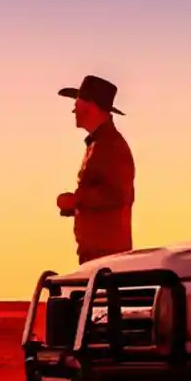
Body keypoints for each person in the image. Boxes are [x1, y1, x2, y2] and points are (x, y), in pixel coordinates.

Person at [56, 75, 135, 264]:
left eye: (77, 103)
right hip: (98, 254)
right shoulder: (101, 144)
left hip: (106, 257)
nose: (73, 109)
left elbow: (118, 194)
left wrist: (76, 200)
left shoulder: (111, 146)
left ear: (90, 106)